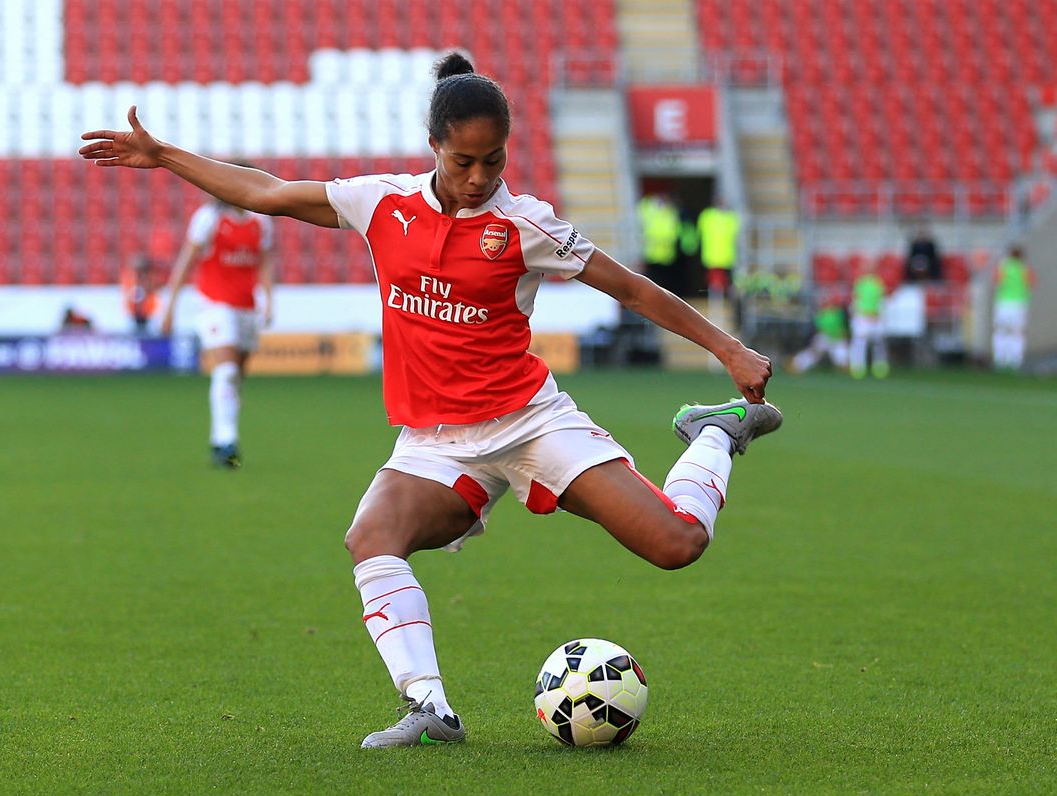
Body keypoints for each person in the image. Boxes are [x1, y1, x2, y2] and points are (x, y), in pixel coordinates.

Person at [80, 52, 780, 748]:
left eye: (494, 162)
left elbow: (631, 288)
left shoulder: (526, 224)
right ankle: (429, 709)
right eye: (464, 162)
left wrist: (727, 348)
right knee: (371, 537)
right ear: (433, 148)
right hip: (437, 442)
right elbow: (265, 191)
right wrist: (165, 154)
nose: (479, 179)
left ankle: (713, 434)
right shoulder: (381, 202)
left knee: (677, 544)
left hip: (531, 423)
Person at [159, 183, 275, 469]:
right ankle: (227, 442)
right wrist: (169, 306)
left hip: (247, 307)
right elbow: (187, 262)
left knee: (235, 378)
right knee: (226, 370)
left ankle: (219, 441)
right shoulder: (208, 218)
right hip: (215, 305)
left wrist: (269, 300)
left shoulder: (261, 221)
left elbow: (263, 263)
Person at [991, 245, 1036, 370]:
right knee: (1017, 333)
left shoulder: (1003, 266)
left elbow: (996, 282)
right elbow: (1031, 285)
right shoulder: (1025, 267)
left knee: (1001, 331)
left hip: (1004, 303)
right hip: (1020, 304)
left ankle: (1000, 359)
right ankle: (1015, 360)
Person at [848, 257, 889, 379]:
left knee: (879, 342)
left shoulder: (878, 283)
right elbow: (855, 300)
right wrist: (857, 313)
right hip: (862, 316)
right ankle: (858, 368)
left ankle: (880, 367)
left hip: (875, 316)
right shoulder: (860, 283)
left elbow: (881, 300)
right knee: (860, 342)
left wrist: (878, 314)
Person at [636, 192, 684, 296]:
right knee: (653, 281)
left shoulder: (670, 213)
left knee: (666, 282)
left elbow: (674, 231)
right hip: (652, 254)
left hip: (666, 255)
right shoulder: (649, 210)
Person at [790, 292, 848, 374]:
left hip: (837, 339)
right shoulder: (821, 314)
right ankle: (797, 364)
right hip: (825, 338)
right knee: (814, 353)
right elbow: (820, 330)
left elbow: (843, 329)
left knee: (842, 360)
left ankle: (843, 367)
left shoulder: (840, 314)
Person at [696, 197, 740, 295]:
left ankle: (725, 304)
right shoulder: (707, 216)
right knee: (713, 284)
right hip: (712, 256)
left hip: (726, 257)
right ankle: (714, 304)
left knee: (726, 284)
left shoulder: (730, 217)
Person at [121, 253, 160, 334]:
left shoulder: (150, 279)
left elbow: (152, 291)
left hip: (148, 315)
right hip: (132, 315)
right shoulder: (129, 279)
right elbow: (128, 294)